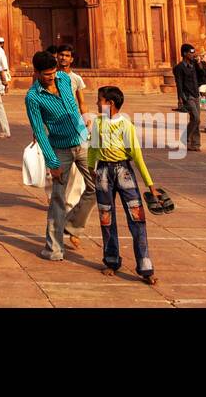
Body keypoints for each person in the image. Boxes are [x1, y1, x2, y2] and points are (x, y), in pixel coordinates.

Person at [26, 50, 96, 263]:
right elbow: (39, 131)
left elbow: (76, 104)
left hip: (82, 141)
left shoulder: (65, 79)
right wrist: (52, 162)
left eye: (54, 72)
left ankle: (71, 225)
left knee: (98, 187)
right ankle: (54, 249)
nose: (52, 77)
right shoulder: (33, 97)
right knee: (58, 198)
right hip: (60, 149)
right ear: (37, 73)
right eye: (47, 74)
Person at [87, 85, 158, 285]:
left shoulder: (126, 125)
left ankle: (145, 267)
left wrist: (149, 184)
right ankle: (111, 260)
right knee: (106, 217)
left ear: (110, 104)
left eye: (99, 100)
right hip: (102, 173)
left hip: (123, 171)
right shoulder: (98, 123)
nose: (96, 103)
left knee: (137, 218)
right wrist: (92, 169)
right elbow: (93, 149)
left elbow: (137, 156)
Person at [171, 43, 204, 153]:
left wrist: (199, 63)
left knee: (196, 121)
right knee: (196, 118)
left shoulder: (194, 65)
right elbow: (179, 83)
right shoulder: (179, 68)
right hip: (187, 96)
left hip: (196, 94)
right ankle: (184, 139)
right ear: (185, 54)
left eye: (193, 52)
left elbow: (203, 75)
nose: (193, 54)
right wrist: (180, 98)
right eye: (191, 53)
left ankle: (195, 144)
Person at [53, 45, 86, 114]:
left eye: (67, 56)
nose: (63, 58)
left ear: (71, 59)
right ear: (57, 57)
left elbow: (82, 103)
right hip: (54, 116)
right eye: (61, 55)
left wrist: (86, 118)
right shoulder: (51, 76)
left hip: (71, 115)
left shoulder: (77, 78)